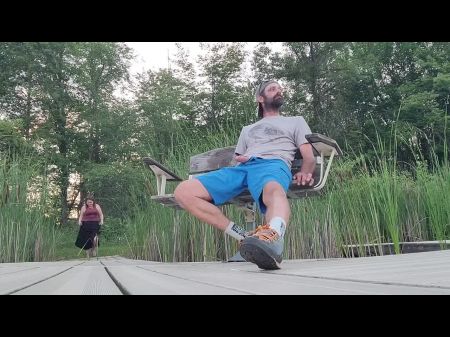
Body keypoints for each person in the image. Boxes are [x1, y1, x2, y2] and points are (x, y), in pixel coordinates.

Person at [174, 80, 316, 270]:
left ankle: (271, 238)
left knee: (273, 190)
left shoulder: (295, 121)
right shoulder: (247, 130)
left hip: (273, 164)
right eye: (273, 89)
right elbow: (238, 157)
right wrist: (242, 159)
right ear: (260, 98)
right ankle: (244, 237)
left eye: (280, 89)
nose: (279, 91)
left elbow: (309, 156)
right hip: (242, 169)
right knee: (183, 192)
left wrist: (305, 172)